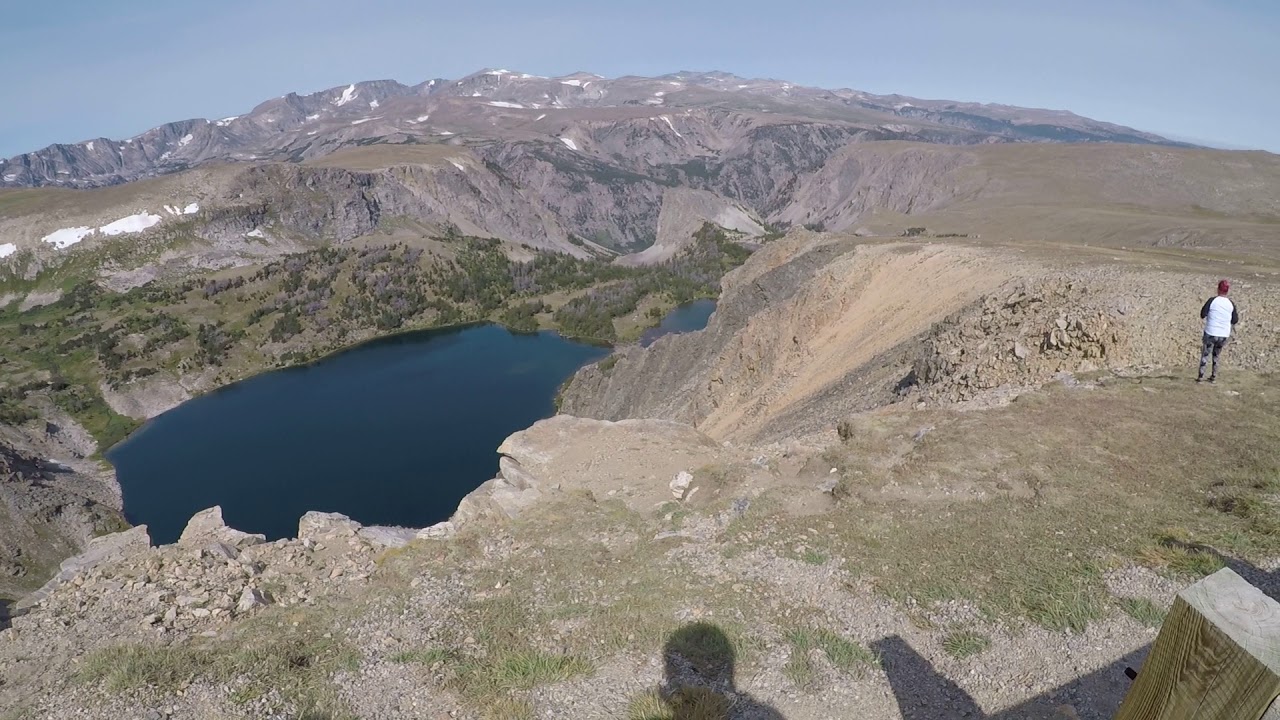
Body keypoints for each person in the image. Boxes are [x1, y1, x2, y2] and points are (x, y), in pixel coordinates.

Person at [1198, 279, 1239, 383]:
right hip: (1223, 334)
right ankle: (1213, 377)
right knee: (1216, 355)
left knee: (1206, 354)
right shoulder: (1231, 304)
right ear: (1227, 291)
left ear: (1218, 289)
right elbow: (1235, 320)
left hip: (1211, 331)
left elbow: (1202, 314)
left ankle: (1201, 377)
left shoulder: (1212, 301)